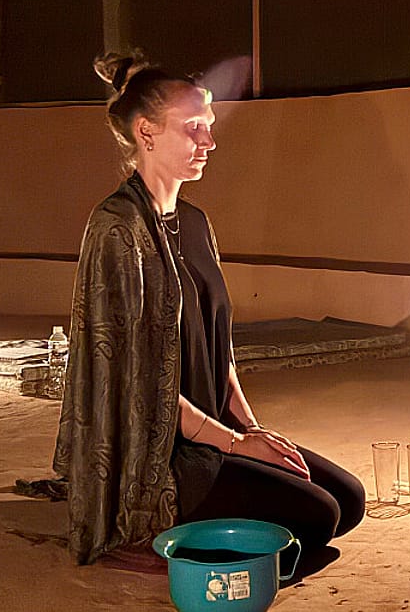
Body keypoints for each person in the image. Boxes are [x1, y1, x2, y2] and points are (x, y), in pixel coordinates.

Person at [54, 50, 364, 565]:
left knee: (347, 500)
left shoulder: (196, 222)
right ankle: (165, 538)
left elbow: (219, 353)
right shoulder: (117, 229)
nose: (209, 142)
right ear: (146, 133)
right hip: (160, 450)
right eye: (193, 128)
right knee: (319, 517)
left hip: (215, 429)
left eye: (210, 126)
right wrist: (236, 447)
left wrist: (251, 429)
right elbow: (137, 383)